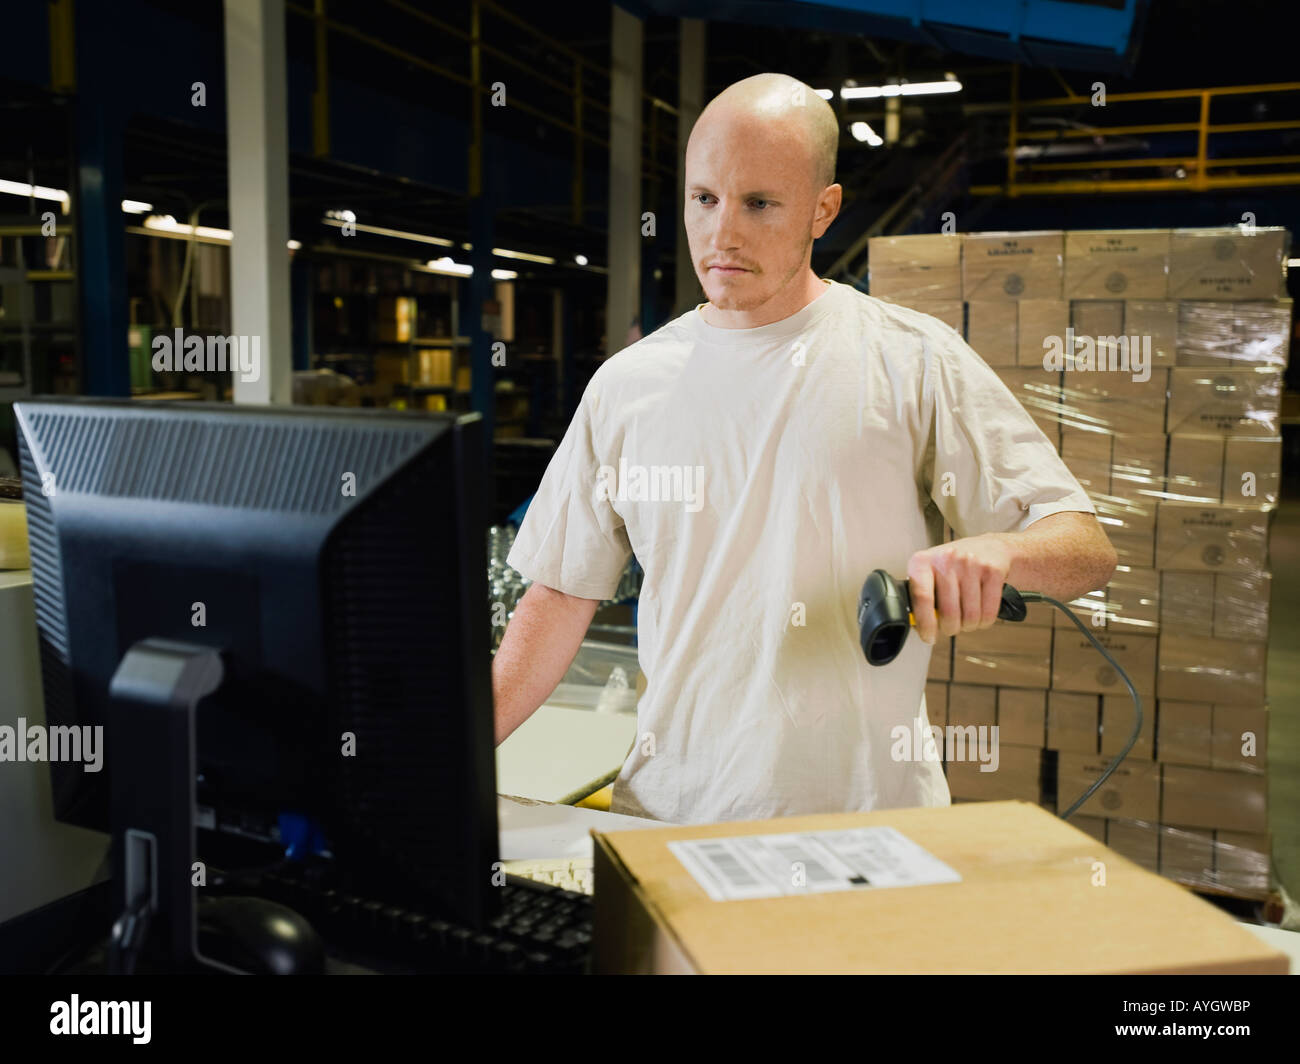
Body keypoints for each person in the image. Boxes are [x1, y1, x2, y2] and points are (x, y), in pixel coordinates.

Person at [492, 72, 1116, 825]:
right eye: (704, 199)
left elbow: (1084, 545)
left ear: (823, 210)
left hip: (867, 826)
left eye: (759, 203)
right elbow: (560, 592)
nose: (723, 233)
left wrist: (1004, 556)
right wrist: (444, 761)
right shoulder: (628, 386)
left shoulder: (911, 360)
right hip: (670, 818)